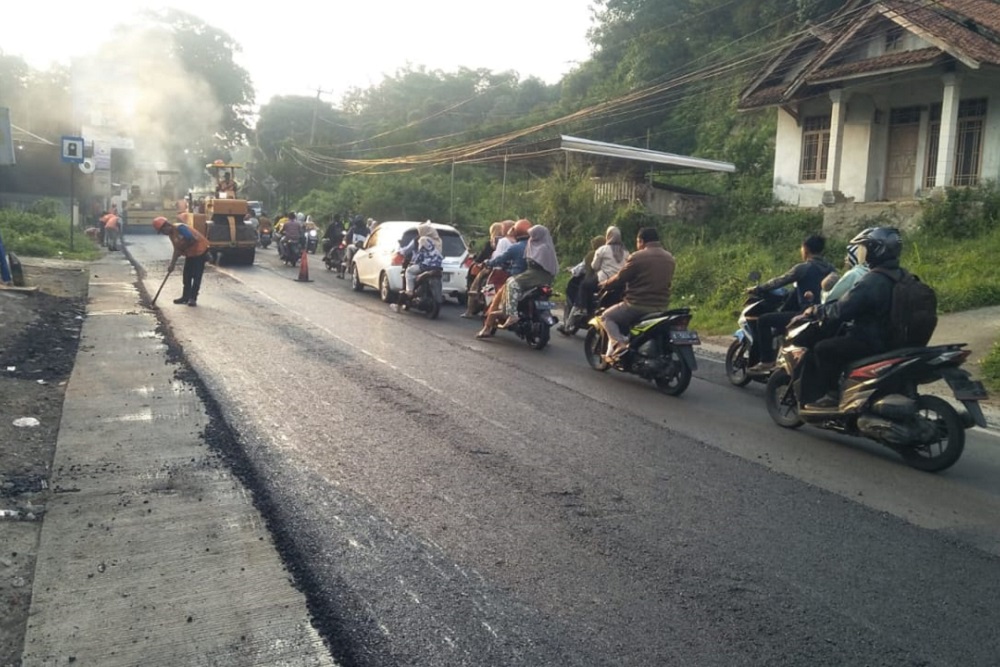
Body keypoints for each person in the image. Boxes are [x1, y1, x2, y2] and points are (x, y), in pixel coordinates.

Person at [801, 227, 902, 409]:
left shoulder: (872, 280)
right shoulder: (902, 275)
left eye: (865, 248)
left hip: (871, 340)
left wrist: (817, 311)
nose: (863, 253)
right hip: (894, 340)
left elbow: (841, 309)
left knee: (823, 348)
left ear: (875, 250)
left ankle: (831, 396)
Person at [747, 234, 834, 373]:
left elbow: (779, 281)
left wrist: (758, 288)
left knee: (763, 320)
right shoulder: (831, 269)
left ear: (805, 249)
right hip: (823, 313)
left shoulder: (803, 268)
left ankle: (766, 361)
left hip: (805, 313)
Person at [597, 227, 675, 359]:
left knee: (606, 317)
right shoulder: (670, 258)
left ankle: (619, 344)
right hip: (661, 307)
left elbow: (620, 278)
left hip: (637, 305)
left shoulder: (637, 257)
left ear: (641, 241)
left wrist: (605, 284)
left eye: (638, 242)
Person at [480, 223, 558, 335]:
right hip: (546, 279)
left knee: (505, 289)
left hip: (526, 276)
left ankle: (505, 317)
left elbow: (499, 258)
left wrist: (488, 263)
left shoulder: (529, 246)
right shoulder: (545, 246)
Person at [476, 219, 530, 337]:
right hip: (530, 279)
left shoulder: (508, 243)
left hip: (503, 273)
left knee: (493, 298)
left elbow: (498, 258)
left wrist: (488, 263)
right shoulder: (534, 245)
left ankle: (487, 326)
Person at [153, 216, 210, 306]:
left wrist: (182, 249)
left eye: (162, 231)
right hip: (190, 254)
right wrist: (172, 265)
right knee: (186, 276)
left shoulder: (180, 228)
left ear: (166, 226)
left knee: (196, 276)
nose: (163, 233)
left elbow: (191, 240)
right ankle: (185, 297)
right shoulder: (172, 235)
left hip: (200, 252)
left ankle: (193, 298)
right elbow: (176, 250)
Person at [390, 222, 444, 312]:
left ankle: (410, 291)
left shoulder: (422, 239)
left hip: (426, 265)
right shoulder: (438, 240)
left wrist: (413, 262)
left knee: (409, 271)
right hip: (438, 266)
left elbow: (420, 254)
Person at [462, 222, 506, 318]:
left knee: (477, 285)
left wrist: (478, 260)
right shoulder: (508, 241)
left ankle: (469, 310)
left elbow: (482, 256)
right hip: (505, 269)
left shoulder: (492, 242)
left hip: (491, 267)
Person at [561, 234, 605, 331]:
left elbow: (581, 268)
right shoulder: (610, 253)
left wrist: (572, 270)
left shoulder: (592, 254)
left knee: (578, 299)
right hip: (604, 284)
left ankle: (567, 326)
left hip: (591, 283)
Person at [821, 233, 871, 304]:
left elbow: (830, 297)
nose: (845, 259)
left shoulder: (853, 274)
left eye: (848, 256)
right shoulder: (870, 272)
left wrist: (824, 291)